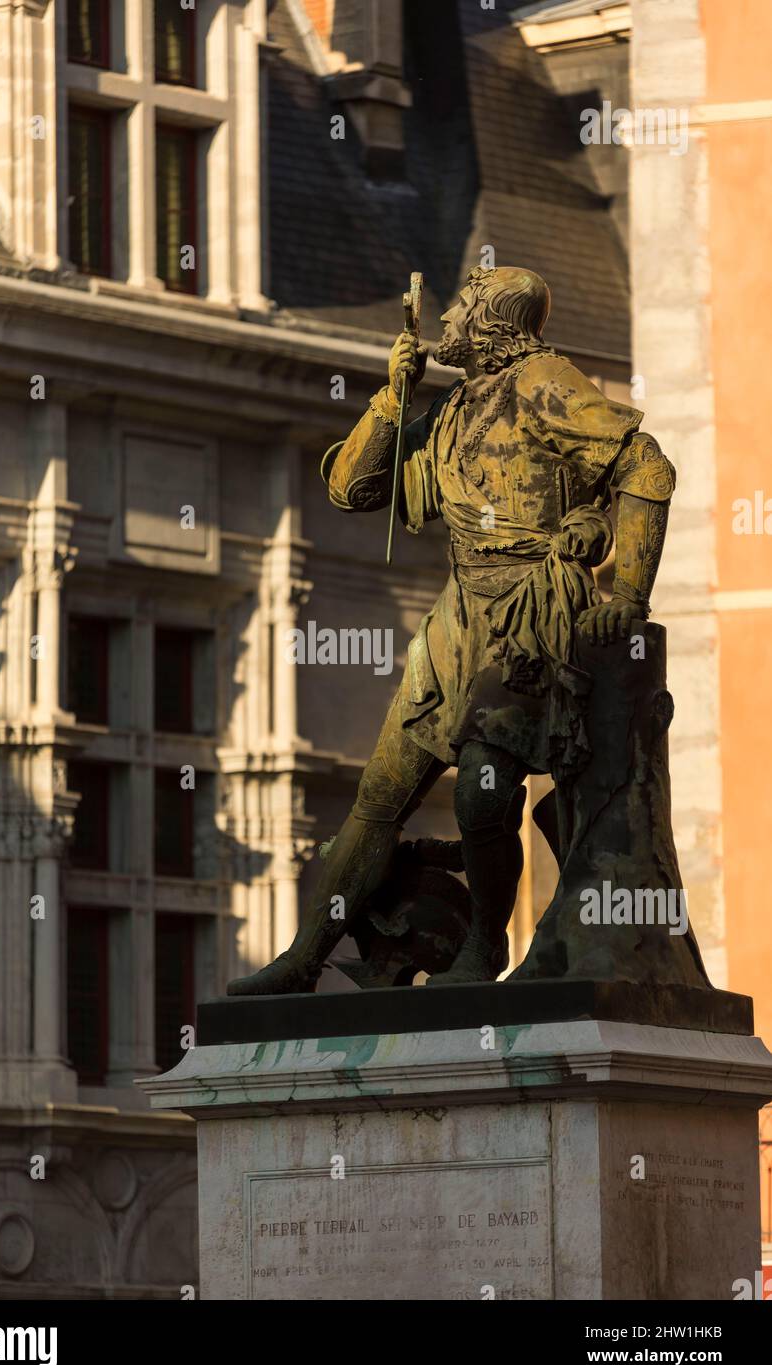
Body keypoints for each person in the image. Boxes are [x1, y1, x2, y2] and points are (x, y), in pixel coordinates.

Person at [228, 266, 675, 995]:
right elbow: (351, 488)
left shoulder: (541, 381)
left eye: (462, 304)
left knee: (482, 791)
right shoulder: (457, 405)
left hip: (531, 617)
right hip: (456, 623)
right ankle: (305, 959)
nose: (447, 316)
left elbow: (646, 464)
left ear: (492, 322)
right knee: (379, 796)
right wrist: (390, 397)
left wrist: (629, 591)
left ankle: (484, 949)